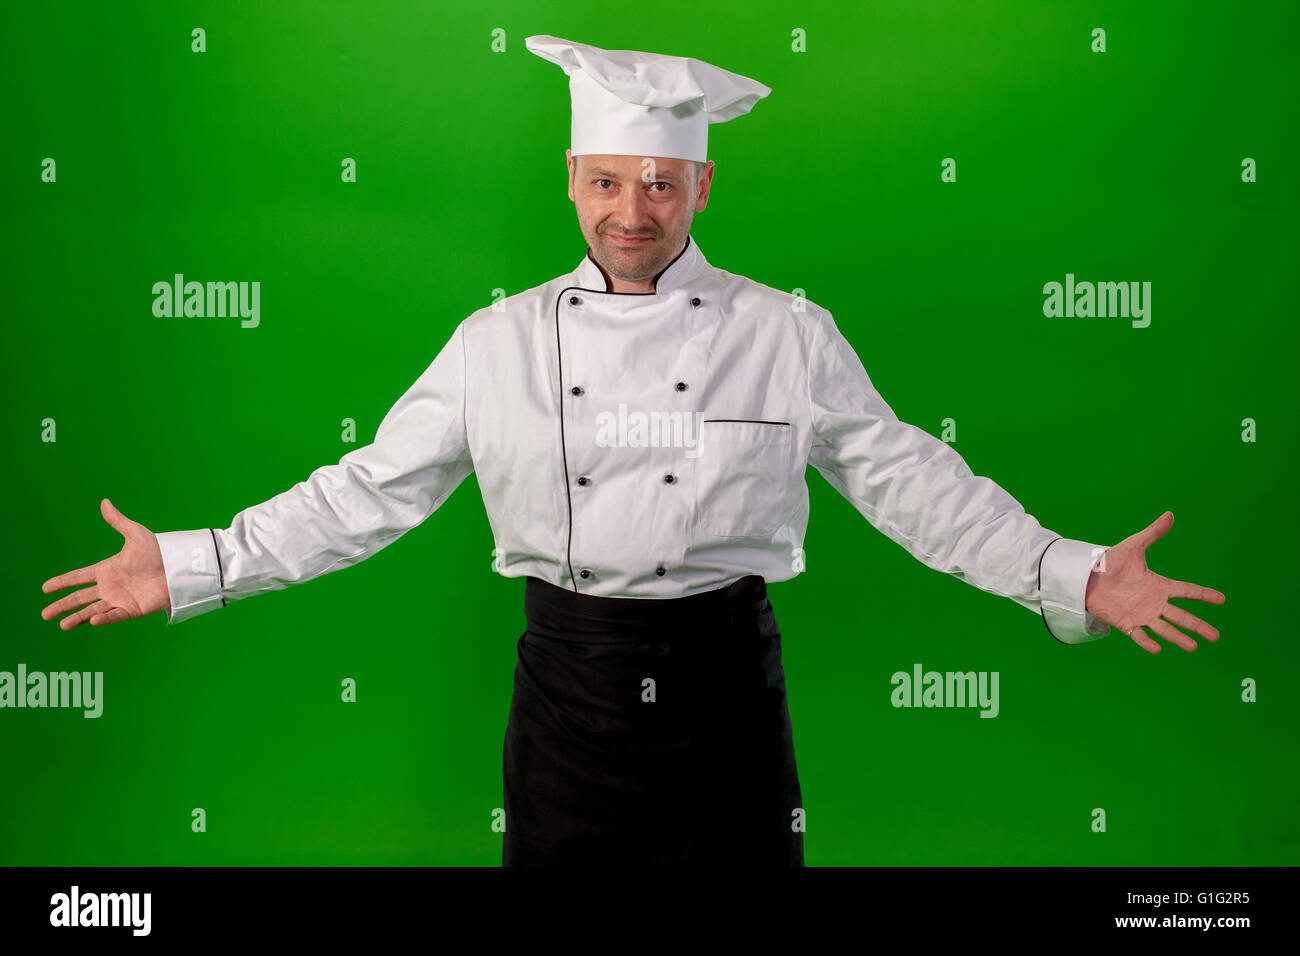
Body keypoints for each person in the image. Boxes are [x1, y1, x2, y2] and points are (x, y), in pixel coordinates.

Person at [39, 35, 1226, 865]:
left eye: (660, 184)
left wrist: (1072, 570)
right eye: (607, 181)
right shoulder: (495, 341)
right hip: (570, 686)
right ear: (570, 182)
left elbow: (910, 477)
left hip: (724, 679)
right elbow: (367, 491)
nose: (632, 211)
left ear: (702, 184)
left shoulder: (783, 331)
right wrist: (193, 561)